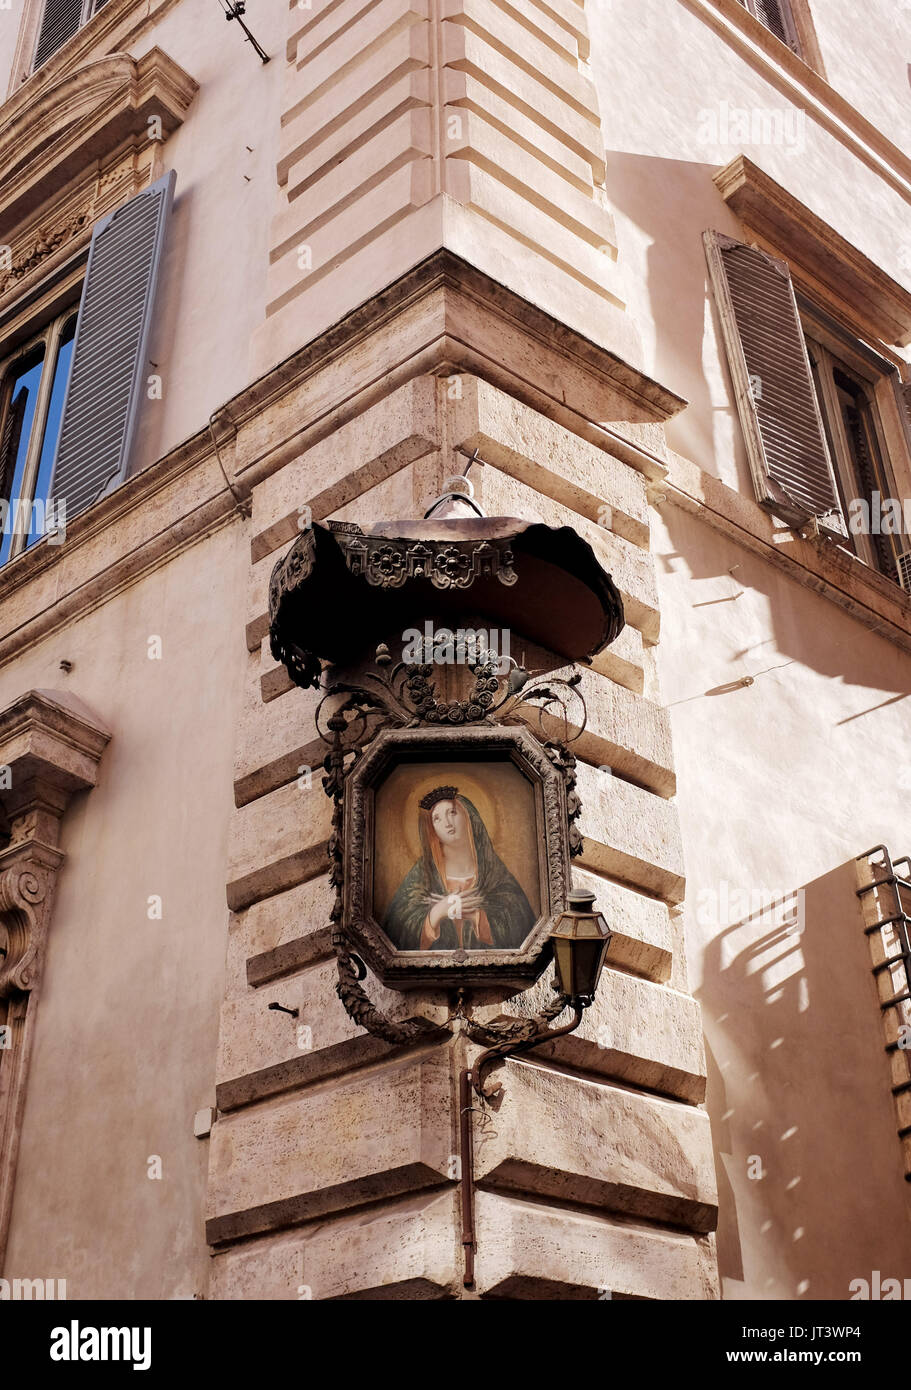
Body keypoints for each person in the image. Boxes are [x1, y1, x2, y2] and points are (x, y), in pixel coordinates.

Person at [382, 785, 536, 951]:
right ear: (431, 828)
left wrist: (476, 916)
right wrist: (437, 912)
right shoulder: (423, 873)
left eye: (452, 813)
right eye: (437, 818)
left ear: (468, 816)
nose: (447, 823)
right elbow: (398, 928)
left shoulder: (492, 871)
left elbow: (519, 921)